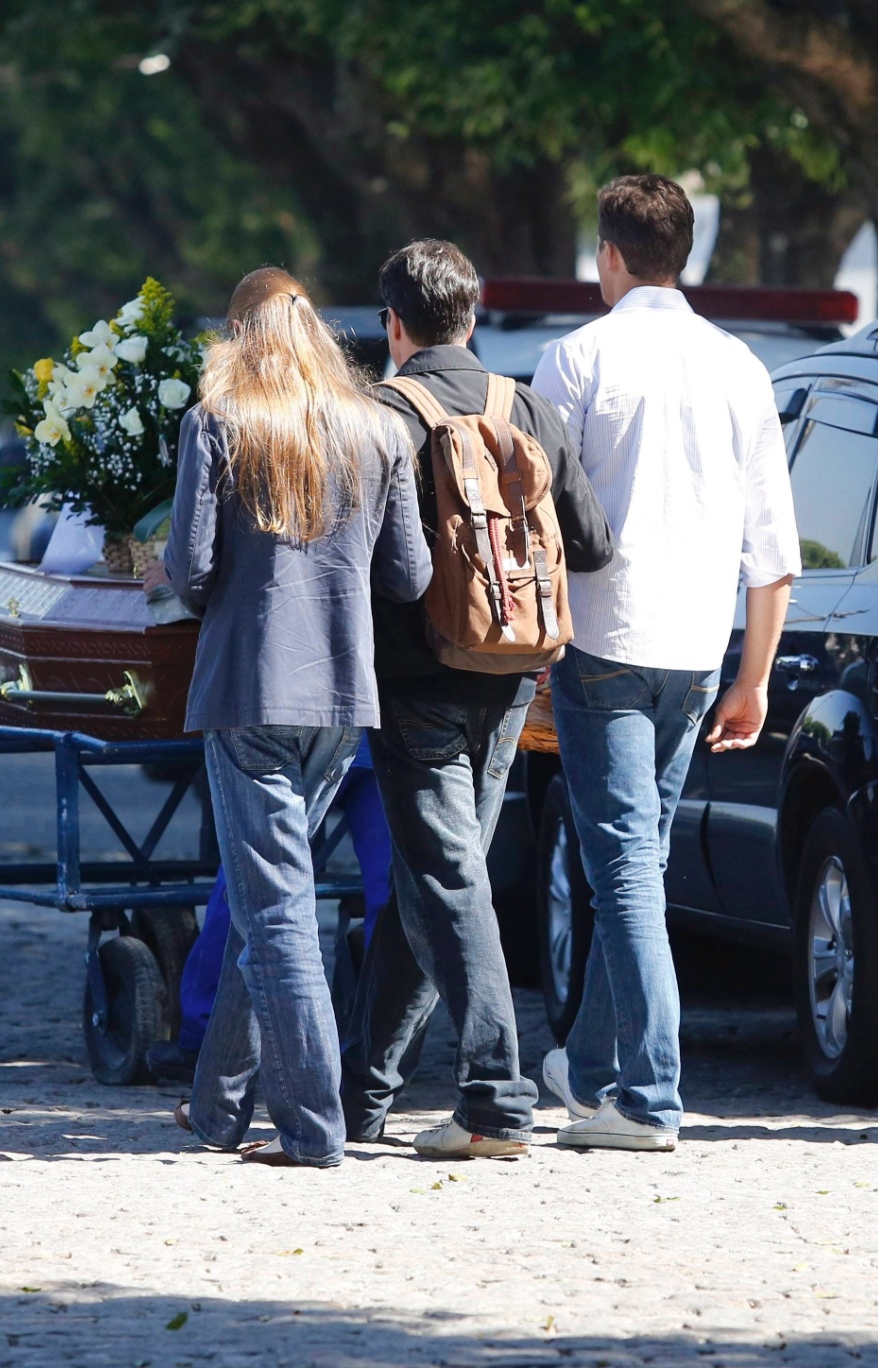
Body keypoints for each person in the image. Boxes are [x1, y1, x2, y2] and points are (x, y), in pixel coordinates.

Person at [529, 175, 800, 1151]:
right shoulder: (741, 368)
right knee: (634, 862)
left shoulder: (575, 359)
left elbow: (534, 521)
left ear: (608, 256)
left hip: (601, 642)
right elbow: (774, 551)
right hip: (697, 650)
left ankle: (649, 1098)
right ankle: (593, 1071)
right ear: (685, 255)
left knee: (625, 873)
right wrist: (754, 678)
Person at [339, 239, 614, 1159]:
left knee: (446, 882)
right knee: (429, 885)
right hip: (508, 677)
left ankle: (497, 1100)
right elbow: (594, 544)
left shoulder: (380, 413)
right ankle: (359, 1098)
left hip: (412, 680)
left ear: (393, 324)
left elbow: (359, 566)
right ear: (472, 313)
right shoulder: (525, 404)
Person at [165, 266, 430, 1167]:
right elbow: (410, 577)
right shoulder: (380, 427)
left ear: (240, 338)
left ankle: (314, 1126)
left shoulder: (217, 422)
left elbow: (188, 571)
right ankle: (217, 1111)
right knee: (263, 899)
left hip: (247, 687)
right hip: (342, 696)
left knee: (276, 914)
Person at [150, 736, 394, 1081]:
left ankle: (204, 1039)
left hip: (288, 729)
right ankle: (381, 1051)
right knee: (392, 889)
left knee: (252, 872)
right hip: (372, 728)